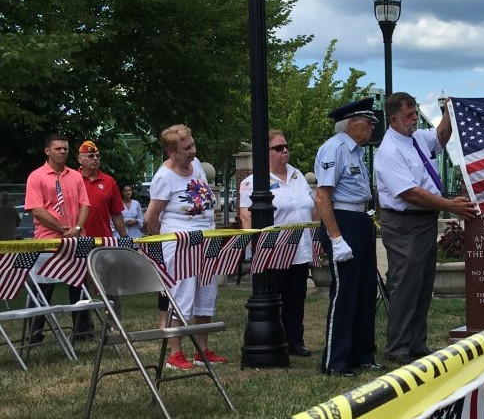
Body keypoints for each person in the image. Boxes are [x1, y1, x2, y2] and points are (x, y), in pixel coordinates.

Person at [374, 92, 477, 364]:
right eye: (409, 116)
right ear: (393, 119)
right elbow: (411, 193)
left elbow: (441, 137)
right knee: (406, 283)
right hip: (404, 222)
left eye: (416, 113)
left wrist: (449, 112)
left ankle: (416, 344)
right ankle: (397, 348)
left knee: (422, 283)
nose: (415, 119)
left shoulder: (417, 139)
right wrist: (449, 205)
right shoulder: (389, 151)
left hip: (423, 221)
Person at [144, 124, 226, 370]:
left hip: (205, 240)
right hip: (178, 246)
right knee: (180, 295)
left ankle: (202, 350)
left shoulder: (197, 165)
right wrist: (162, 245)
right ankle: (175, 353)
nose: (193, 150)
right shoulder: (163, 177)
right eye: (186, 148)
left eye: (193, 144)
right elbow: (150, 218)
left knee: (206, 293)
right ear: (172, 152)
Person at [314, 98, 382, 377]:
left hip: (360, 219)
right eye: (368, 122)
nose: (372, 128)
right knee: (345, 292)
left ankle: (362, 353)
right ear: (351, 123)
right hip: (342, 221)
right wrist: (336, 237)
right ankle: (335, 360)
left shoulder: (355, 152)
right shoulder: (335, 149)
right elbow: (323, 196)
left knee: (366, 291)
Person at [239, 129, 317, 358]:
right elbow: (246, 216)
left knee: (296, 296)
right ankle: (275, 336)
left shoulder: (297, 175)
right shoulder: (253, 182)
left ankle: (295, 340)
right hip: (273, 250)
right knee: (273, 297)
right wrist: (257, 247)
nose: (285, 152)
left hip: (299, 248)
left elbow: (309, 207)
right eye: (279, 148)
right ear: (266, 153)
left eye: (286, 147)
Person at [23, 133, 90, 344]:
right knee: (43, 285)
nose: (63, 152)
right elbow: (36, 210)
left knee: (79, 284)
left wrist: (77, 228)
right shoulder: (37, 176)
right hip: (48, 239)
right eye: (58, 148)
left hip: (75, 238)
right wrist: (62, 228)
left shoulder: (76, 176)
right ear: (47, 151)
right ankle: (35, 334)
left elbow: (84, 205)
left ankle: (82, 332)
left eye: (66, 148)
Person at [75, 140, 128, 340]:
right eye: (90, 156)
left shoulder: (109, 181)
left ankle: (114, 326)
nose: (95, 159)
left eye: (97, 156)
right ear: (80, 159)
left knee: (110, 285)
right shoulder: (73, 179)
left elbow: (116, 213)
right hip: (79, 242)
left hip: (104, 242)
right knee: (79, 286)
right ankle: (83, 329)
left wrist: (124, 239)